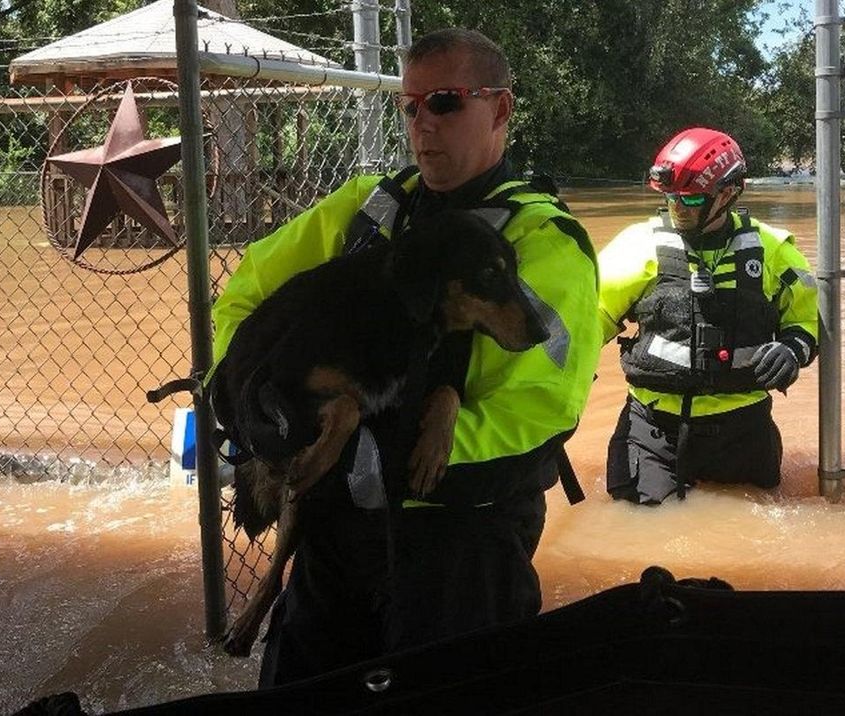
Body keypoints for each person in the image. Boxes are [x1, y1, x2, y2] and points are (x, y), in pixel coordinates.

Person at [209, 28, 601, 686]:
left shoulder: (543, 241)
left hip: (459, 545)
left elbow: (533, 416)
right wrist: (258, 407)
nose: (423, 123)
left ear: (501, 109)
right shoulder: (366, 208)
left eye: (445, 102)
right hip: (334, 540)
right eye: (410, 105)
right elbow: (243, 301)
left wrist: (366, 456)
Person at [596, 127, 818, 505]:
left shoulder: (773, 251)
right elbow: (587, 322)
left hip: (744, 431)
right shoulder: (636, 246)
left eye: (692, 198)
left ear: (729, 193)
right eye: (670, 197)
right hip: (652, 430)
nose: (677, 208)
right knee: (640, 534)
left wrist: (792, 350)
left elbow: (807, 322)